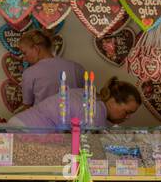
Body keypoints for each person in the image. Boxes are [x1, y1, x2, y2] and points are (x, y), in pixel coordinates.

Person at [8, 77, 141, 131]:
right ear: (112, 101)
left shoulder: (88, 95)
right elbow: (87, 145)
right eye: (127, 111)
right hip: (28, 132)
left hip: (19, 123)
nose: (127, 117)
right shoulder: (97, 110)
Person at [18, 29, 84, 108]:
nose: (24, 58)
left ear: (36, 49)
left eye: (25, 53)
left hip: (42, 119)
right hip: (74, 119)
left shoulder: (29, 73)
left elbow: (27, 107)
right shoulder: (76, 67)